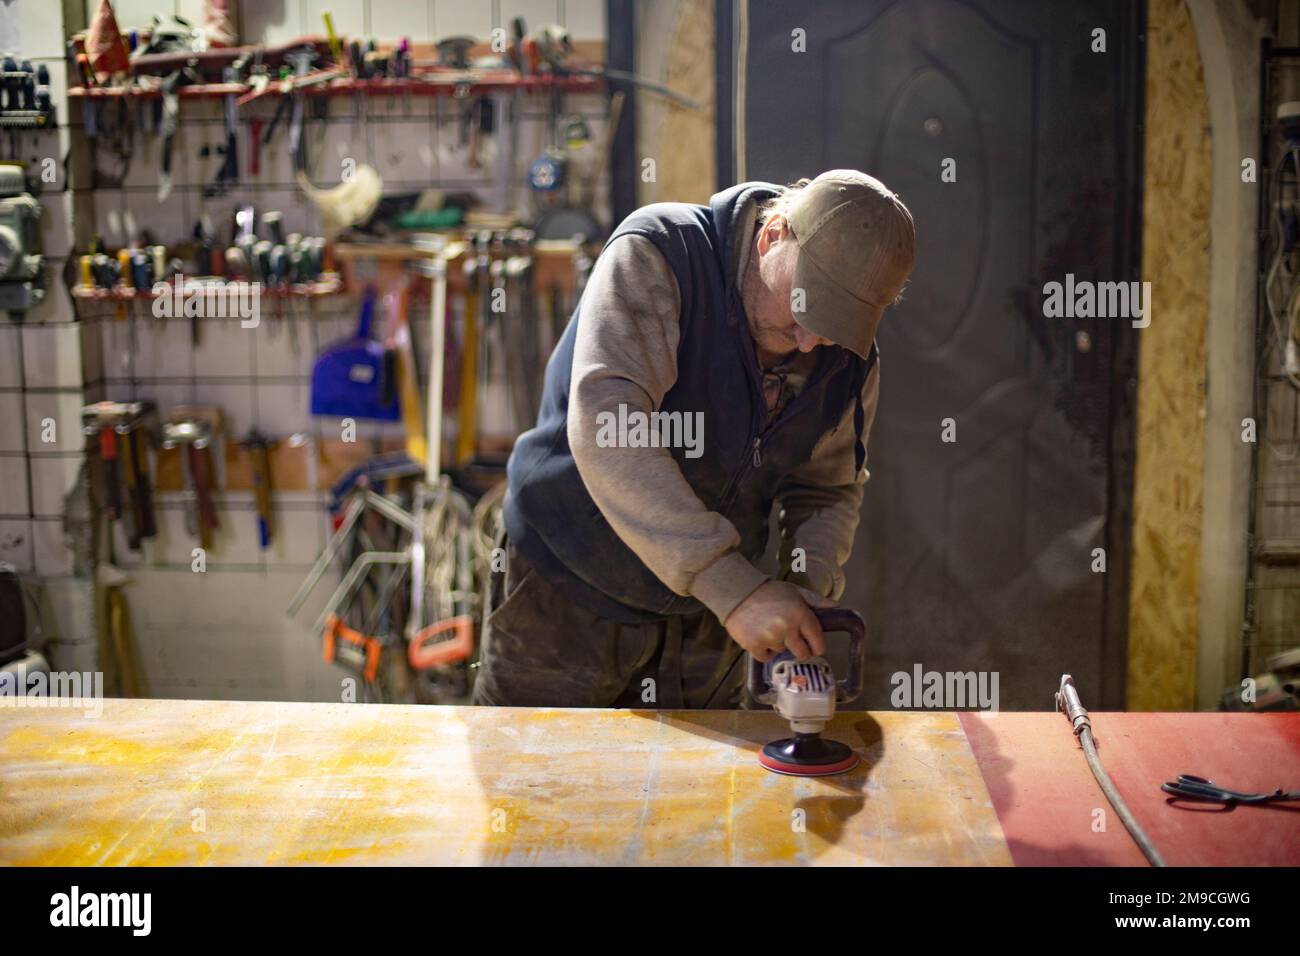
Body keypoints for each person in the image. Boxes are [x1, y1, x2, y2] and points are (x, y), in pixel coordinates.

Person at [472, 169, 915, 709]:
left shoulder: (847, 359)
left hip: (704, 626)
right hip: (567, 594)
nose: (807, 343)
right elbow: (610, 429)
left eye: (830, 325)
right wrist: (735, 587)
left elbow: (827, 489)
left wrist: (803, 587)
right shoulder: (659, 256)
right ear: (773, 233)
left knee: (694, 792)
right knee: (531, 783)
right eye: (802, 308)